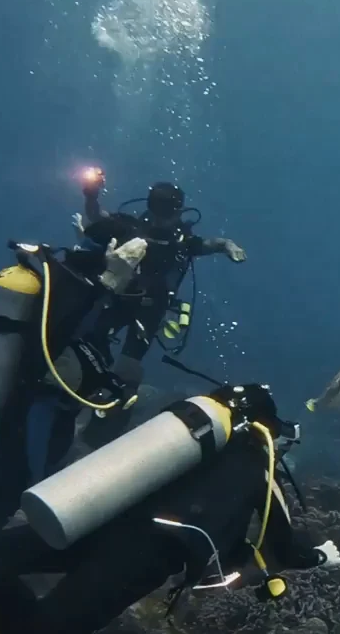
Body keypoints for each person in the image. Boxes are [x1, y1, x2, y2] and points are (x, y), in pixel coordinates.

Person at [0, 380, 340, 634]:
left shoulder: (192, 442)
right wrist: (322, 556)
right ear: (269, 433)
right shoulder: (258, 470)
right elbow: (283, 545)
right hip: (143, 559)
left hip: (95, 515)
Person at [0, 237, 148, 531]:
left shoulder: (59, 280)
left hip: (18, 393)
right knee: (27, 470)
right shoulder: (84, 295)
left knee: (9, 461)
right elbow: (73, 344)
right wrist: (113, 386)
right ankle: (0, 524)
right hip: (41, 400)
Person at [76, 170, 248, 448]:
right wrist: (91, 194)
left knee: (128, 369)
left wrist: (228, 245)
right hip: (119, 301)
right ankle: (80, 403)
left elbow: (210, 244)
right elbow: (97, 217)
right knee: (90, 352)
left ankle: (102, 431)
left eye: (166, 213)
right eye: (157, 211)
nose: (161, 219)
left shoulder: (182, 242)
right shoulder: (130, 228)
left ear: (178, 212)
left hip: (149, 311)